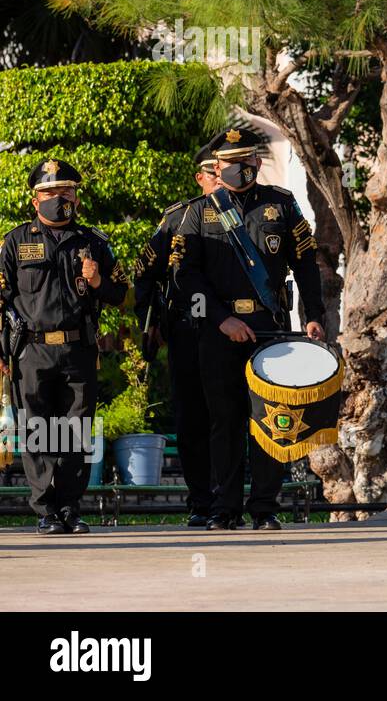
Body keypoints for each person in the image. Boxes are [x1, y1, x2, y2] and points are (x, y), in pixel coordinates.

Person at [175, 127, 326, 530]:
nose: (237, 169)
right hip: (219, 331)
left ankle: (264, 507)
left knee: (271, 420)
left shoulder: (282, 203)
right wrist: (221, 319)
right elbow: (185, 275)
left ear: (256, 164)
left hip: (269, 329)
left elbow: (306, 263)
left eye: (244, 162)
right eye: (229, 164)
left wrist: (314, 315)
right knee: (224, 421)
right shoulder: (199, 212)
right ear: (217, 166)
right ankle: (223, 509)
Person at [0, 159, 128, 535]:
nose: (60, 198)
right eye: (51, 193)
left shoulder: (94, 242)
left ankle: (70, 507)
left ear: (77, 197)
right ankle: (46, 511)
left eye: (67, 192)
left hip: (78, 350)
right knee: (39, 429)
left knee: (75, 431)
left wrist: (98, 279)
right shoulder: (15, 241)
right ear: (35, 199)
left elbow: (121, 294)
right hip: (31, 351)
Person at [132, 146, 220, 527]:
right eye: (213, 173)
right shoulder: (177, 218)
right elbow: (145, 273)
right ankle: (202, 500)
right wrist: (149, 324)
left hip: (238, 331)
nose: (222, 178)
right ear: (200, 177)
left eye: (227, 169)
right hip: (187, 330)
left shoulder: (256, 211)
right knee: (192, 418)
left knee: (231, 417)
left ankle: (231, 498)